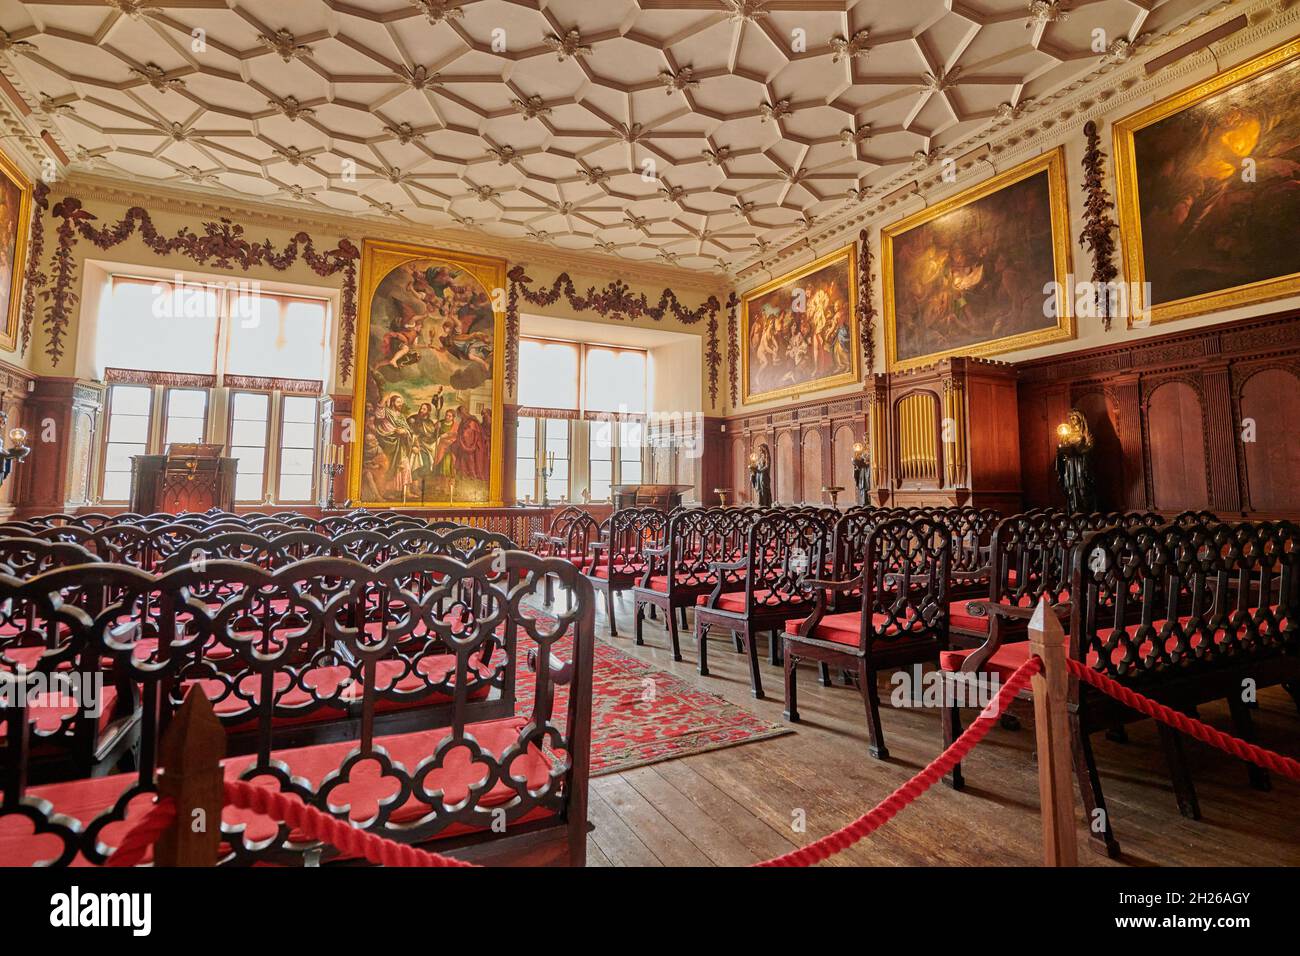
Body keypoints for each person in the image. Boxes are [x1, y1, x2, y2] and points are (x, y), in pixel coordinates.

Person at [1054, 409, 1097, 514]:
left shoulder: (1086, 434)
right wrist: (1061, 450)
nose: (1072, 419)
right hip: (1069, 465)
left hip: (1080, 464)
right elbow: (1062, 449)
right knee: (1071, 488)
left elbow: (1090, 447)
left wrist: (1078, 450)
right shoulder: (1067, 436)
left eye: (1074, 417)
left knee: (1082, 487)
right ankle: (1074, 512)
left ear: (1080, 418)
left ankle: (1087, 513)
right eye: (1071, 418)